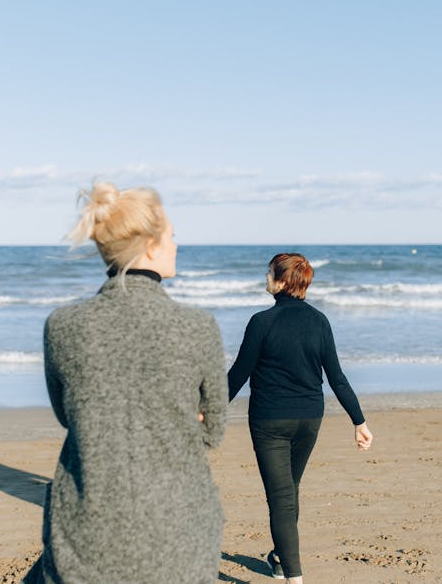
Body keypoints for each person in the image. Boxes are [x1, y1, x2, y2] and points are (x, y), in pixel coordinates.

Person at [24, 183, 228, 583]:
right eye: (172, 236)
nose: (176, 245)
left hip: (85, 526)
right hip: (179, 530)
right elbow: (213, 430)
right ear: (151, 245)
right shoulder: (197, 326)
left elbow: (69, 416)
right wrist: (181, 421)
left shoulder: (63, 326)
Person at [227, 253, 373, 583]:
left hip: (270, 422)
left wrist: (207, 409)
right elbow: (336, 377)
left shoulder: (261, 322)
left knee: (280, 499)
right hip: (309, 419)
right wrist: (359, 422)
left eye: (268, 274)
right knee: (289, 491)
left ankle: (294, 577)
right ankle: (279, 558)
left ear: (281, 282)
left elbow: (238, 375)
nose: (265, 279)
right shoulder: (320, 321)